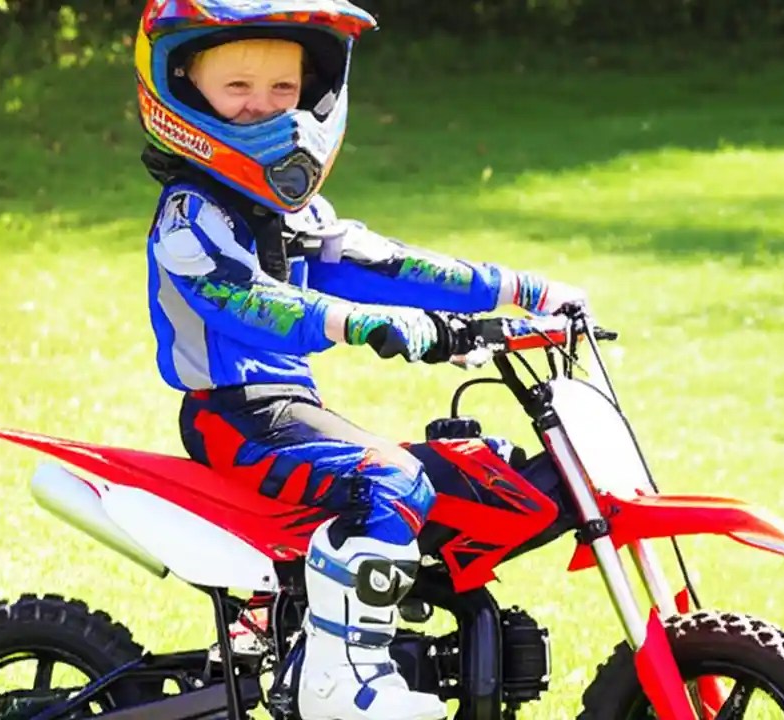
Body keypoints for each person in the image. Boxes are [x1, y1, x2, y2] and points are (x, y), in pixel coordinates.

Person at [134, 2, 586, 718]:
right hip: (234, 416)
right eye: (238, 89)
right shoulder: (192, 217)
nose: (265, 109)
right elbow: (250, 302)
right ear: (183, 89)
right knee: (392, 480)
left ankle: (420, 642)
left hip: (289, 409)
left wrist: (519, 289)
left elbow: (388, 263)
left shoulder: (294, 215)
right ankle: (340, 681)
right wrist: (365, 325)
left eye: (284, 91)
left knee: (477, 471)